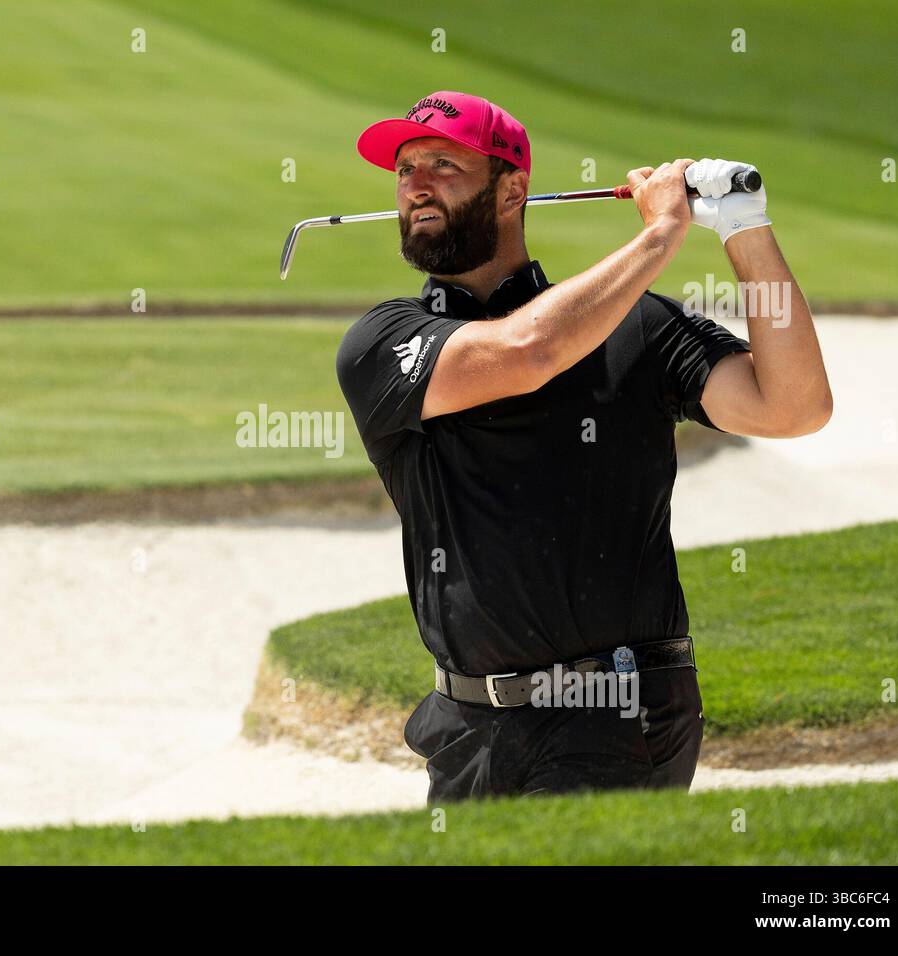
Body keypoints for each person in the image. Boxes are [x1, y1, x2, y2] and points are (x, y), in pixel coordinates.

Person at [336, 90, 832, 801]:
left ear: (513, 189)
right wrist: (662, 232)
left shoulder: (640, 328)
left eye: (444, 165)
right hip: (466, 729)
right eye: (405, 167)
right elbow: (529, 350)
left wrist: (745, 228)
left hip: (616, 717)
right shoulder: (385, 341)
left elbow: (795, 405)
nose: (415, 183)